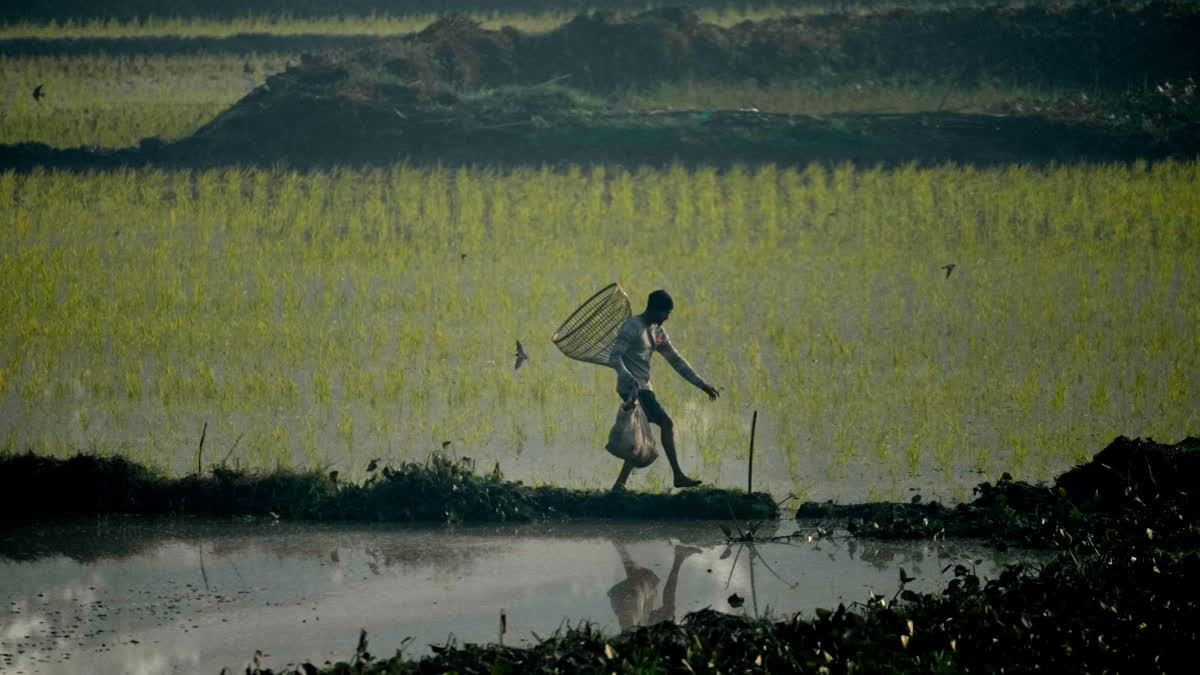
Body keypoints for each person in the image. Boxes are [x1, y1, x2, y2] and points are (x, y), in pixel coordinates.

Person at [608, 289, 719, 491]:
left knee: (640, 435)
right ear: (654, 309)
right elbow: (614, 357)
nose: (667, 317)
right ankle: (677, 475)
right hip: (633, 388)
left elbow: (675, 359)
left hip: (644, 388)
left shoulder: (657, 332)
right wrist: (628, 377)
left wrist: (702, 384)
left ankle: (619, 485)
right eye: (665, 313)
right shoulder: (632, 327)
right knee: (666, 423)